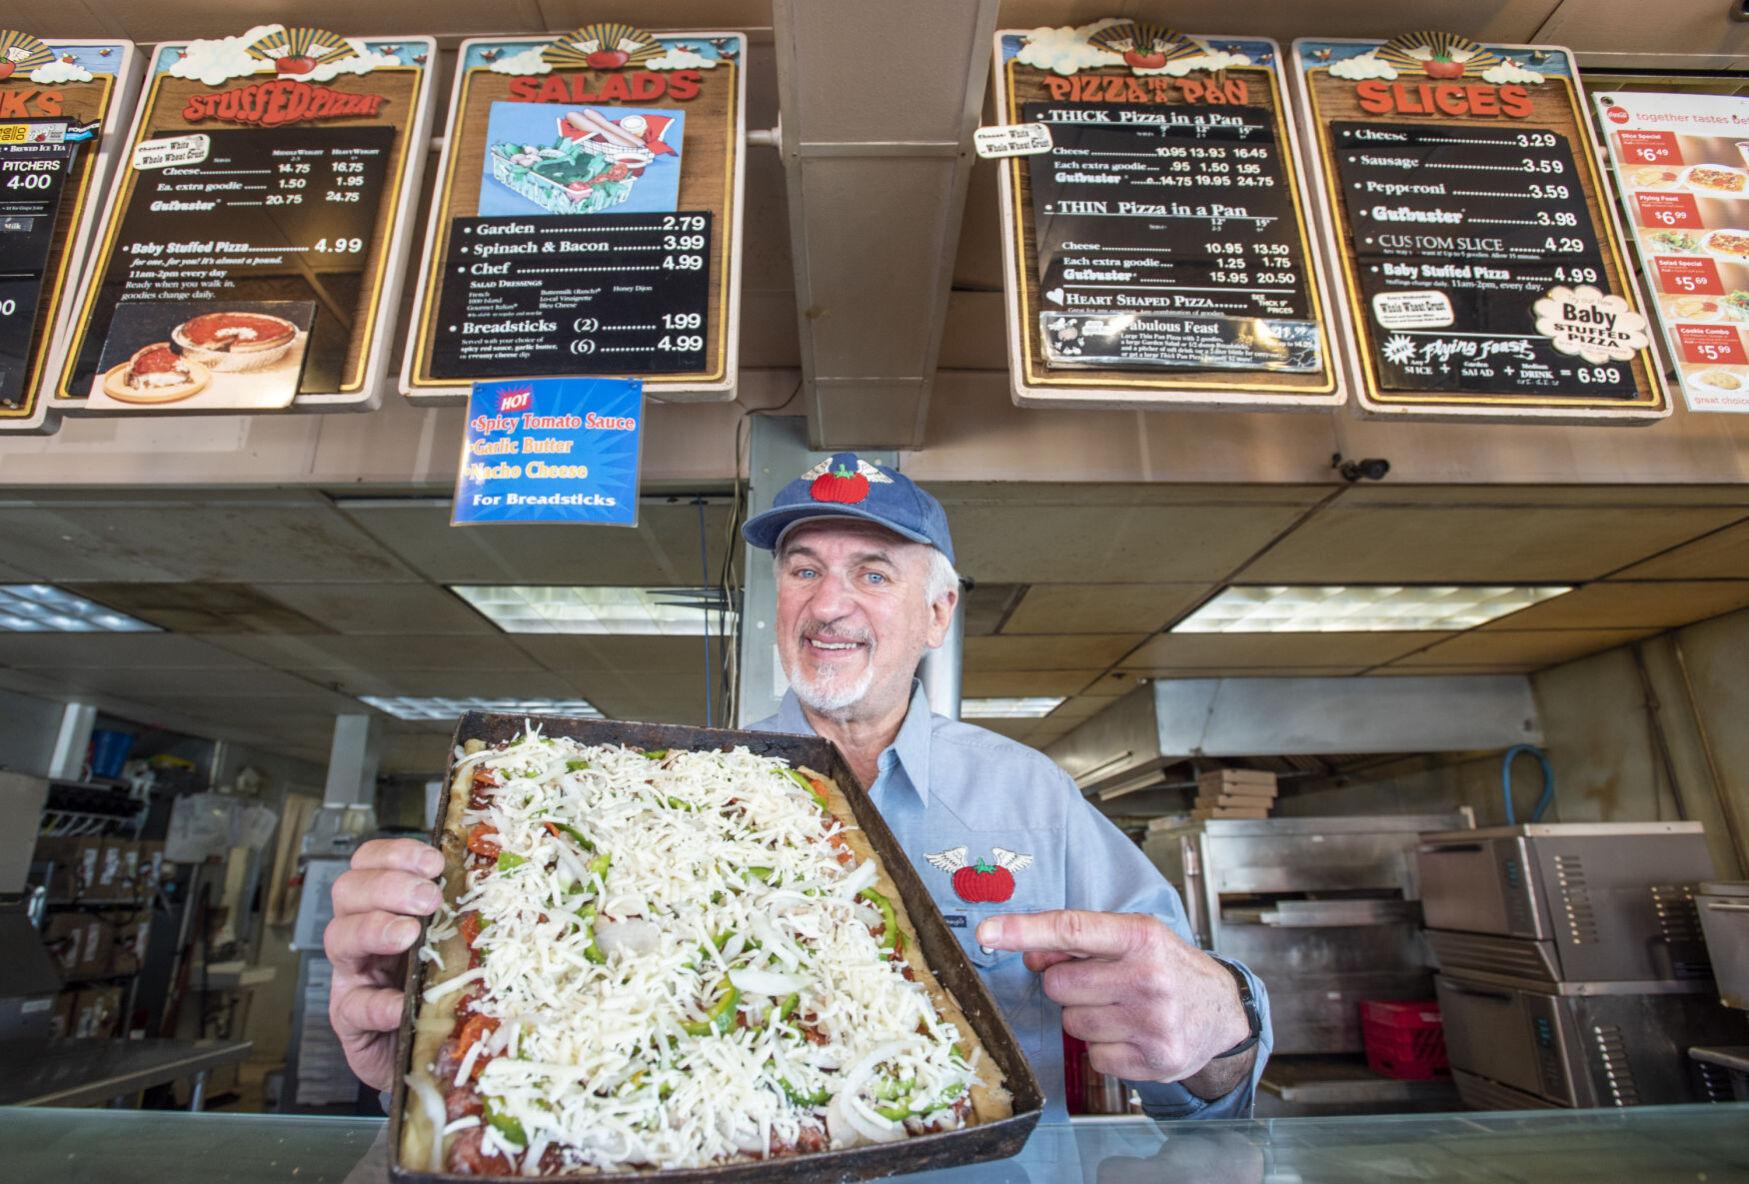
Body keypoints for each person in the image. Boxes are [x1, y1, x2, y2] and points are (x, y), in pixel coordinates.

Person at [324, 453, 1269, 1118]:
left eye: (872, 572)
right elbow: (579, 1057)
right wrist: (413, 1063)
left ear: (936, 612)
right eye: (803, 568)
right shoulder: (663, 791)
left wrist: (1221, 1029)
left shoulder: (1031, 797)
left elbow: (1192, 1071)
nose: (828, 602)